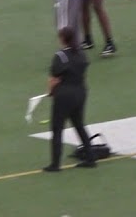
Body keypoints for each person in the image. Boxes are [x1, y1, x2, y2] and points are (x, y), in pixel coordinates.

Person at [42, 27, 98, 173]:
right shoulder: (81, 54)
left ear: (62, 39)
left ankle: (55, 164)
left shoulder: (60, 56)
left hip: (64, 95)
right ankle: (90, 158)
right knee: (79, 124)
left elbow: (54, 78)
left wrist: (50, 92)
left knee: (57, 128)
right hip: (80, 92)